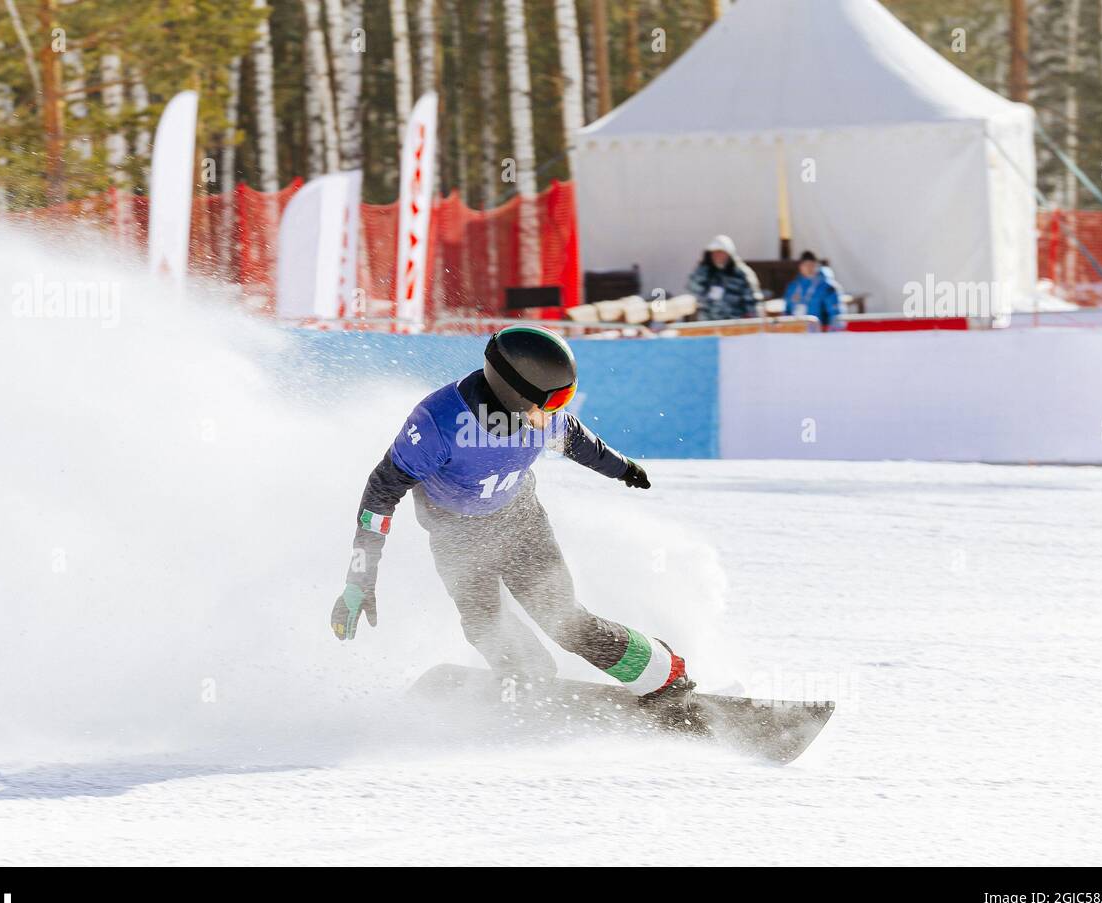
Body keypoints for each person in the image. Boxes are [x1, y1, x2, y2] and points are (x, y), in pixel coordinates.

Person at [330, 326, 699, 724]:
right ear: (515, 395)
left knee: (566, 622)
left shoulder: (541, 415)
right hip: (456, 536)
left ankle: (664, 676)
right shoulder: (438, 424)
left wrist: (621, 467)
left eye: (567, 397)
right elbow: (381, 492)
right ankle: (526, 677)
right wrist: (359, 578)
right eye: (557, 399)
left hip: (520, 523)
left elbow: (576, 439)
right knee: (484, 623)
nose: (561, 410)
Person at [687, 234, 761, 321]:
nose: (717, 256)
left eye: (720, 252)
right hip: (708, 322)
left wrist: (752, 321)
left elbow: (753, 301)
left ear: (729, 254)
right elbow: (692, 288)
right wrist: (702, 266)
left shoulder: (742, 274)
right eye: (714, 253)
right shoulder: (705, 272)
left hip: (734, 323)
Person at [783, 250, 845, 332]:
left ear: (817, 266)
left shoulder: (827, 287)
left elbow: (836, 314)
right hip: (797, 331)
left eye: (812, 265)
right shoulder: (793, 287)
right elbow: (787, 310)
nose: (809, 268)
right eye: (805, 265)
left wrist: (833, 333)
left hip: (820, 332)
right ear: (800, 267)